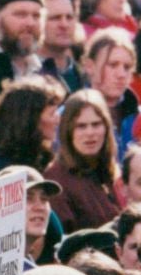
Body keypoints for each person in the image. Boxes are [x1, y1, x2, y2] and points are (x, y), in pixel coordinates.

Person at [42, 88, 123, 230]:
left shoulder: (112, 171)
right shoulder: (56, 179)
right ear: (68, 131)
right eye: (81, 126)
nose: (90, 133)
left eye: (96, 124)